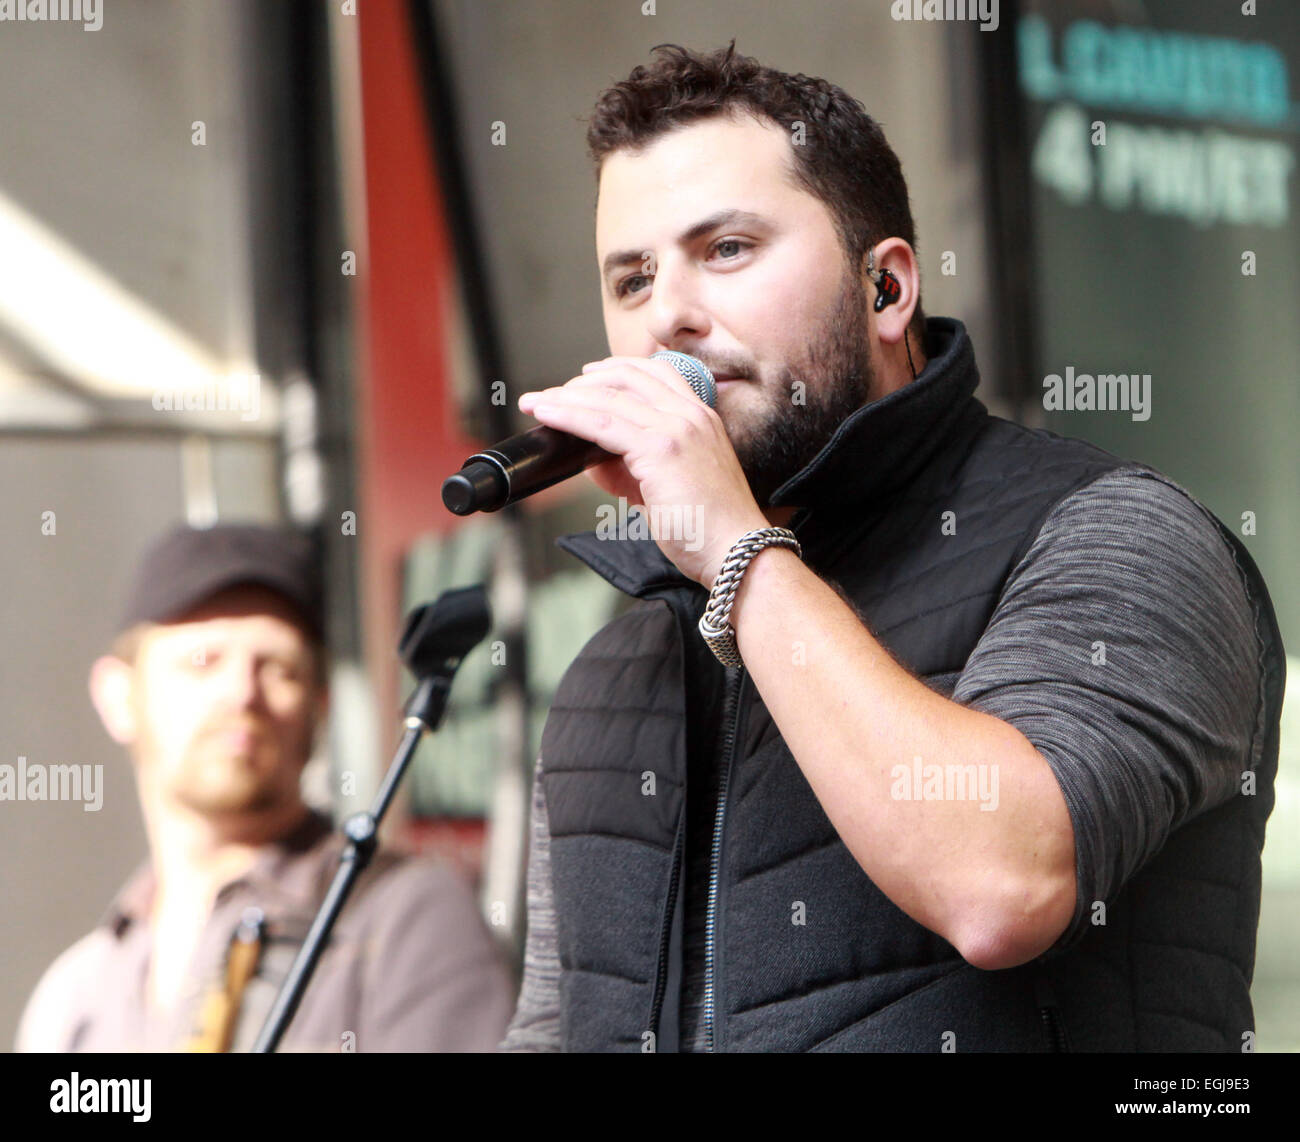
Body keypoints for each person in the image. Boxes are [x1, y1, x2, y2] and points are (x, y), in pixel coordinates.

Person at [499, 42, 1285, 1052]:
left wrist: (735, 547)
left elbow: (1000, 884)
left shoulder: (1116, 534)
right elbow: (551, 1025)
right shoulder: (616, 665)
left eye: (727, 248)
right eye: (632, 276)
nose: (668, 316)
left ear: (885, 290)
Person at [17, 522, 513, 1052]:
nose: (241, 693)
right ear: (117, 696)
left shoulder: (408, 922)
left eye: (279, 667)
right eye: (203, 661)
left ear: (319, 706)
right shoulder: (76, 993)